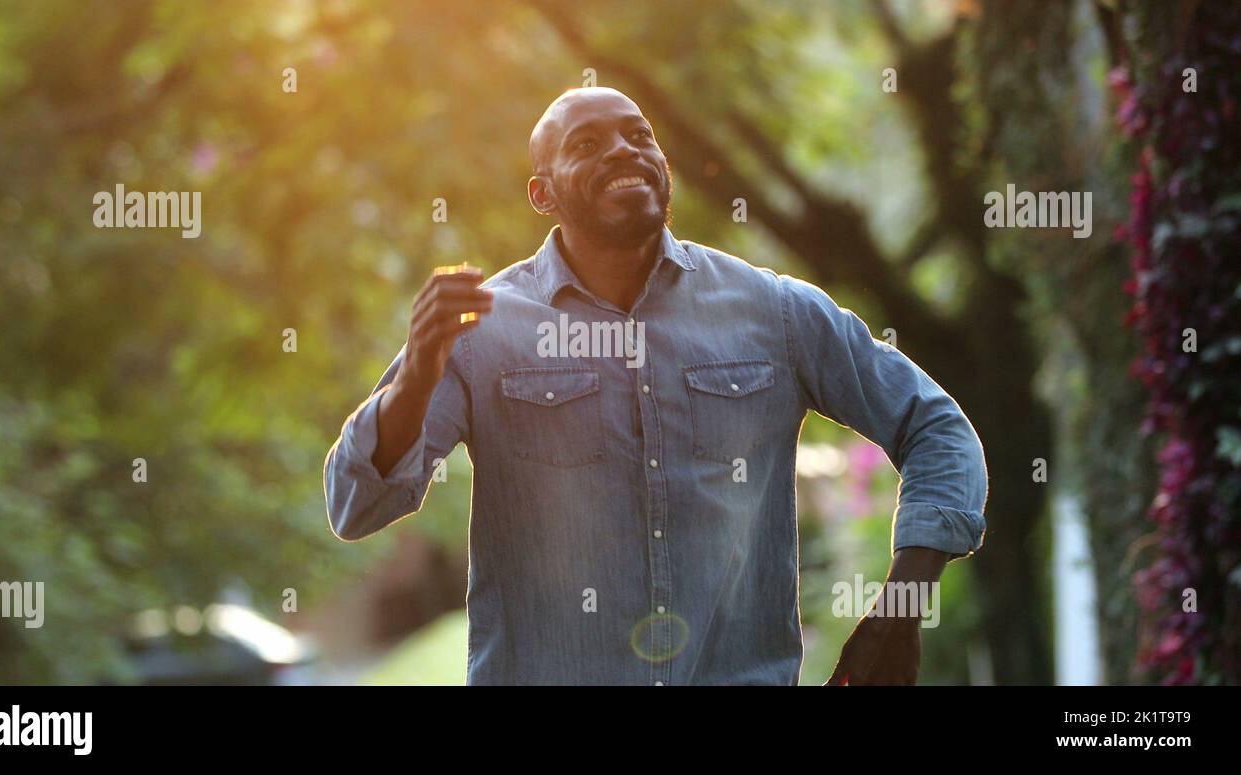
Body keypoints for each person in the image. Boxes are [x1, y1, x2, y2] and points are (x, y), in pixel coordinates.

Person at [323, 87, 988, 685]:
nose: (623, 150)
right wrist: (416, 374)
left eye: (639, 135)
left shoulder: (775, 312)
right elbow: (356, 504)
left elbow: (936, 428)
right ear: (542, 194)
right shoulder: (481, 330)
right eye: (586, 144)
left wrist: (899, 611)